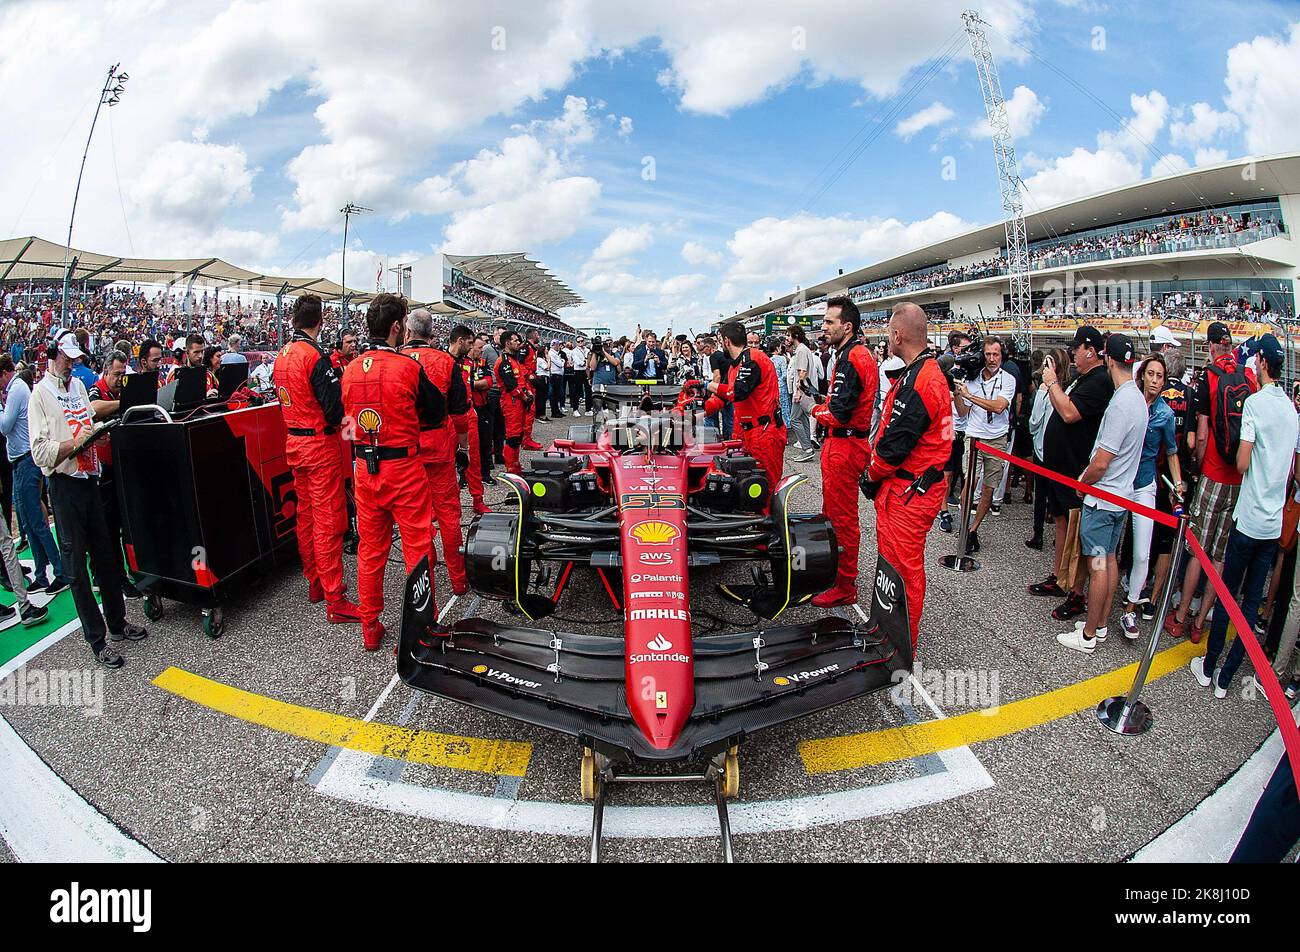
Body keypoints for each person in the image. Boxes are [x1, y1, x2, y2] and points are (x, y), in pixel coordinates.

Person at [29, 329, 146, 668]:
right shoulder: (41, 394)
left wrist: (95, 437)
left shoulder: (78, 387)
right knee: (76, 569)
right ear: (53, 356)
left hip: (89, 479)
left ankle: (118, 622)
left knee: (106, 557)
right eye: (66, 359)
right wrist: (76, 444)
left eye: (74, 359)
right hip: (64, 487)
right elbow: (40, 451)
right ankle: (97, 640)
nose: (71, 365)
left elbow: (89, 421)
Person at [1192, 334, 1296, 696]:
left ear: (1262, 364)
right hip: (1273, 521)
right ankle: (1227, 676)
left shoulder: (1254, 403)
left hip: (1248, 516)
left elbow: (1241, 461)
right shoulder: (1292, 412)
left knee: (1226, 593)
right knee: (1251, 604)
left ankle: (1209, 666)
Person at [341, 294, 445, 651]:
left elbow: (345, 421)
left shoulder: (350, 369)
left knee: (371, 550)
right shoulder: (408, 367)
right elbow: (435, 414)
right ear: (398, 326)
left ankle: (370, 626)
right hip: (403, 467)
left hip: (364, 468)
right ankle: (421, 628)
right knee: (417, 547)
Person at [861, 302, 952, 645]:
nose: (887, 338)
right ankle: (885, 632)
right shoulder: (919, 372)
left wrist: (870, 476)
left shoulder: (922, 380)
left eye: (888, 332)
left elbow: (893, 447)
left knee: (902, 571)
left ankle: (900, 648)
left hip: (909, 493)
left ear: (897, 335)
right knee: (892, 568)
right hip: (905, 489)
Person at [1164, 321, 1257, 643]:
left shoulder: (1210, 376)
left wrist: (1199, 468)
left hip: (1214, 473)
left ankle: (1179, 616)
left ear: (1211, 345)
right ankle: (1201, 621)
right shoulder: (1248, 376)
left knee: (1197, 550)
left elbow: (1199, 436)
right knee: (1218, 555)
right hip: (1239, 479)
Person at [274, 294, 362, 624]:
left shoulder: (282, 354)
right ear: (320, 321)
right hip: (318, 445)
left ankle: (315, 582)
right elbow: (335, 411)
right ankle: (335, 597)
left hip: (295, 443)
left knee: (306, 516)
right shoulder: (313, 356)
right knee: (329, 520)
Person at [1057, 334, 1147, 653]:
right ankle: (1101, 624)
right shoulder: (1136, 398)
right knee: (1107, 561)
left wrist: (1083, 483)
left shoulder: (1122, 403)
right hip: (1120, 496)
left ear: (1108, 359)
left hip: (1103, 496)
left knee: (1098, 566)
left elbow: (1101, 462)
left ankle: (1088, 635)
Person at [1031, 326, 1114, 621]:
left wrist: (1052, 383)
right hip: (1059, 467)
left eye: (1076, 349)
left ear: (1090, 350)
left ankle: (1077, 593)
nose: (1073, 354)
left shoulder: (1100, 381)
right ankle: (1059, 577)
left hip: (1075, 471)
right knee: (1063, 525)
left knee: (1078, 534)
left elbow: (1069, 412)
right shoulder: (1084, 377)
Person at [809, 297, 878, 607]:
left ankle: (845, 585)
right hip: (846, 443)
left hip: (845, 445)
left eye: (829, 322)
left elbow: (838, 413)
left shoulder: (852, 357)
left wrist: (813, 409)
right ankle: (835, 573)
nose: (824, 327)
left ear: (846, 326)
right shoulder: (853, 354)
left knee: (842, 519)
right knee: (832, 514)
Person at [401, 311, 471, 597]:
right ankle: (458, 580)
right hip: (439, 443)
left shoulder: (396, 359)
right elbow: (460, 413)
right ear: (432, 333)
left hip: (406, 447)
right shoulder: (445, 361)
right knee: (448, 515)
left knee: (416, 518)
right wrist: (464, 447)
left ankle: (423, 578)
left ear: (407, 331)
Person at [1117, 354, 1184, 638]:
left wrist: (1178, 483)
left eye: (1160, 376)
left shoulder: (1166, 415)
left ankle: (1130, 610)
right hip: (1118, 480)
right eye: (1151, 374)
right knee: (1106, 546)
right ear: (1142, 375)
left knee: (1143, 553)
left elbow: (1171, 452)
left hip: (1144, 485)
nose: (1155, 380)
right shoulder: (1127, 400)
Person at [0, 351, 69, 595]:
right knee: (28, 522)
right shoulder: (16, 388)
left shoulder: (17, 388)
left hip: (27, 459)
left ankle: (60, 571)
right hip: (19, 461)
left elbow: (5, 426)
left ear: (4, 373)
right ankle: (42, 573)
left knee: (36, 521)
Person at [704, 321, 787, 506]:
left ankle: (771, 530)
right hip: (747, 433)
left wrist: (710, 385)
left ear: (726, 341)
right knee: (745, 487)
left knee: (765, 488)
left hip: (764, 432)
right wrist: (698, 414)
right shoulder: (735, 366)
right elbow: (722, 398)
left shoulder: (753, 358)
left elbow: (737, 392)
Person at [954, 337, 1016, 556]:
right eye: (988, 354)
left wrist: (970, 395)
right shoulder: (972, 379)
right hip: (974, 437)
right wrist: (957, 395)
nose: (992, 359)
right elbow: (962, 412)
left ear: (1002, 356)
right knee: (968, 487)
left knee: (989, 488)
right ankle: (964, 527)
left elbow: (1000, 407)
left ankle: (973, 529)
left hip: (997, 438)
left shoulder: (1008, 379)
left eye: (996, 354)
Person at [89, 351, 142, 600]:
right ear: (106, 371)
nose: (120, 379)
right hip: (102, 471)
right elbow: (94, 409)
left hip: (122, 464)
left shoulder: (122, 388)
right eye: (117, 374)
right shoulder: (96, 389)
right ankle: (111, 576)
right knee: (107, 528)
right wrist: (126, 403)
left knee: (124, 523)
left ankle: (131, 571)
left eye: (123, 374)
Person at [457, 333, 491, 516]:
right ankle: (443, 505)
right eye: (473, 345)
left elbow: (488, 382)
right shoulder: (447, 361)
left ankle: (478, 500)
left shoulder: (475, 364)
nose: (476, 350)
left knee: (474, 459)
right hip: (449, 416)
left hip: (470, 412)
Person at [494, 330, 530, 475]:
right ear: (507, 343)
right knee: (513, 436)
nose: (518, 343)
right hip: (511, 402)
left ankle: (516, 463)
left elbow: (522, 380)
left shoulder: (514, 360)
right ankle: (510, 467)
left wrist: (529, 393)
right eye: (515, 341)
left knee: (519, 434)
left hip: (519, 401)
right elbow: (511, 385)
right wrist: (525, 397)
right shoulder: (504, 361)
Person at [785, 325, 817, 461]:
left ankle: (807, 448)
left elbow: (802, 372)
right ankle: (807, 447)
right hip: (804, 391)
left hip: (802, 392)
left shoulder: (801, 351)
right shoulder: (802, 349)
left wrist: (797, 392)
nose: (786, 338)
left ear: (795, 336)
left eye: (788, 335)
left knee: (794, 419)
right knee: (802, 418)